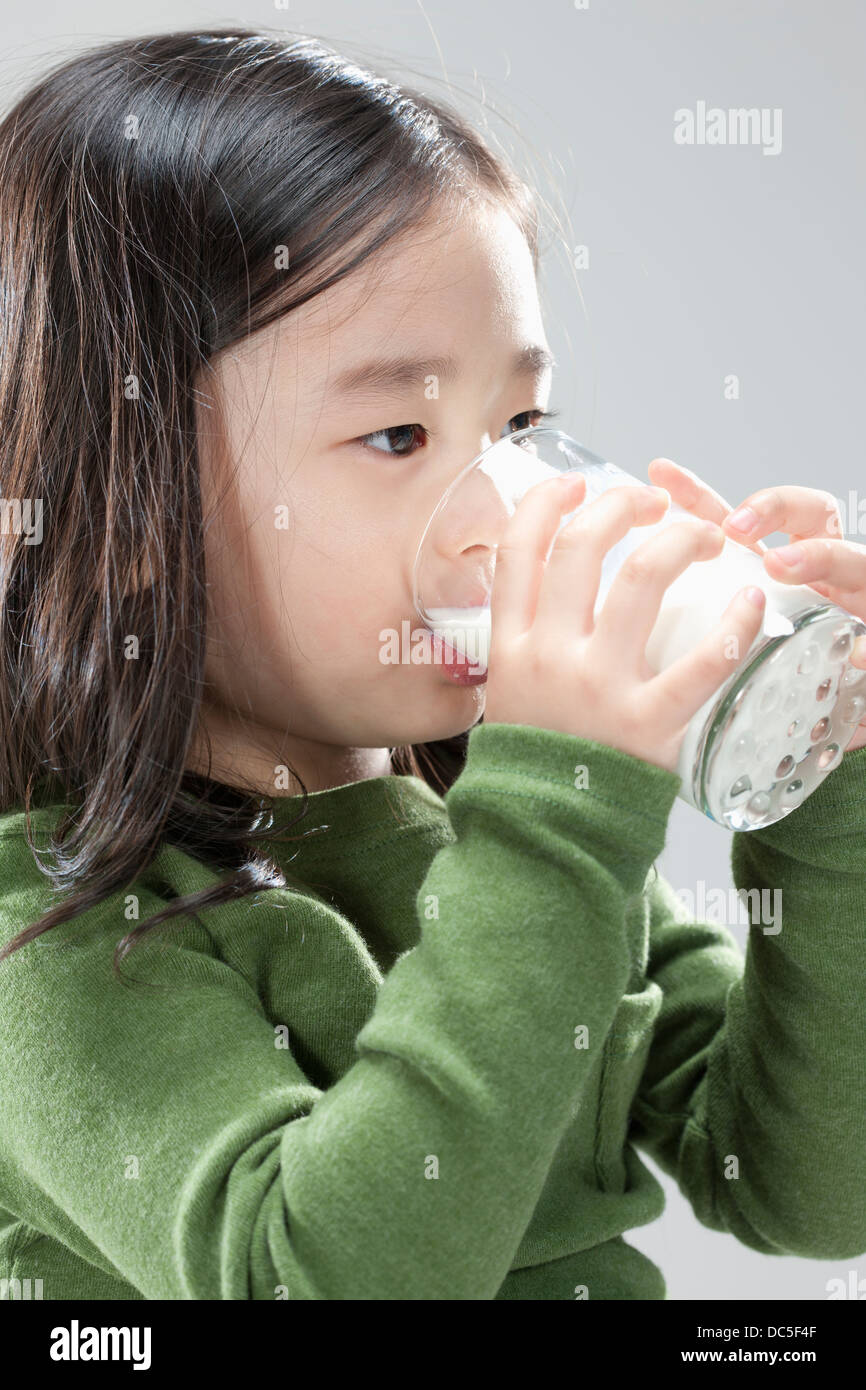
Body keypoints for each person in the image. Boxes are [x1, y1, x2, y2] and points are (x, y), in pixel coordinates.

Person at [0, 27, 864, 1301]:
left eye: (518, 423)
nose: (497, 514)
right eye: (399, 434)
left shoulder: (501, 823)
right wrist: (553, 826)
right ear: (124, 523)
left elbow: (807, 1188)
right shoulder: (57, 943)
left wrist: (822, 781)